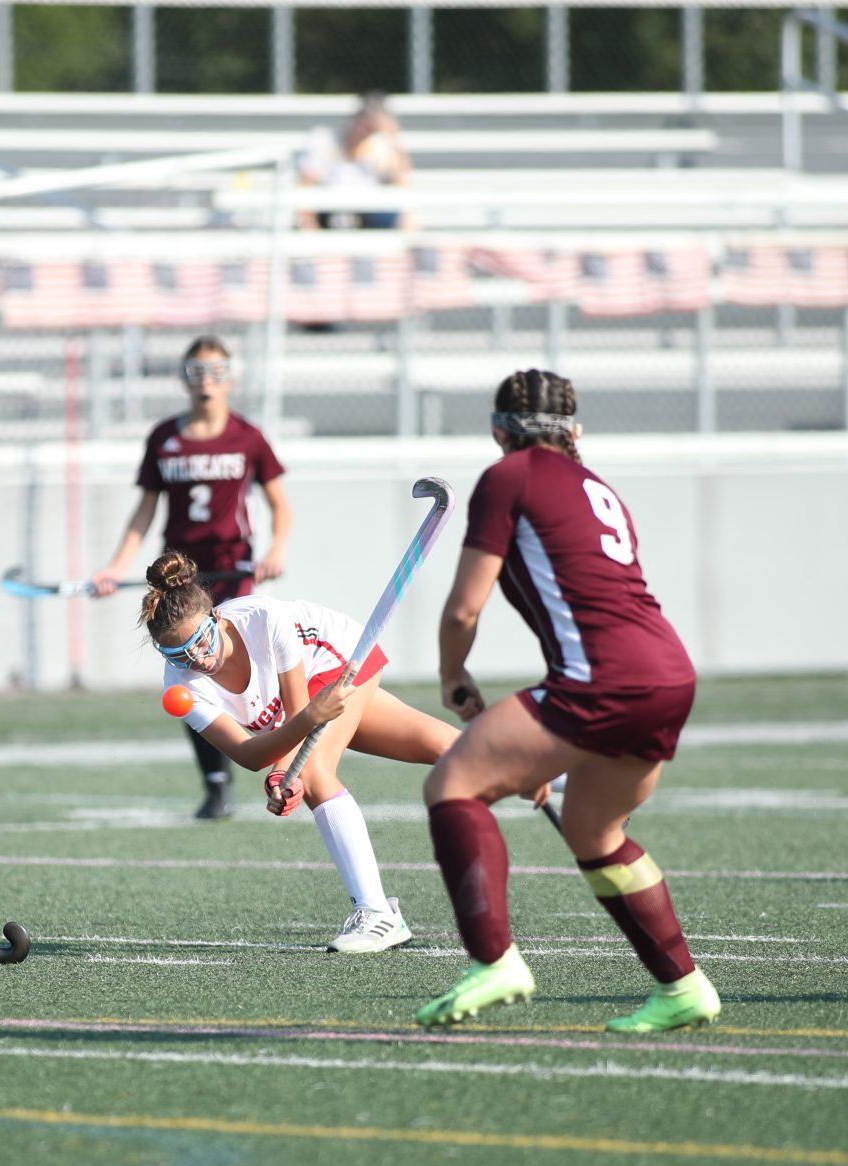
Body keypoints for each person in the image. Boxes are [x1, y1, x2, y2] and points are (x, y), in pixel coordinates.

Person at [417, 369, 719, 1033]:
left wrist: (452, 673)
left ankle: (493, 959)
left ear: (500, 429)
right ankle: (683, 986)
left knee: (454, 783)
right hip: (669, 673)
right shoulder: (596, 487)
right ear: (575, 430)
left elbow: (466, 605)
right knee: (594, 831)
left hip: (607, 675)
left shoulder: (508, 476)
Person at [142, 550, 543, 952]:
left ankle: (378, 913)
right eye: (179, 654)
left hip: (341, 659)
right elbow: (248, 755)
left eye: (202, 641)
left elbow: (300, 713)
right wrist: (281, 773)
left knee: (315, 775)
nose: (199, 659)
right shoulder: (181, 688)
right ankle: (549, 771)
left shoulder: (264, 617)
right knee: (437, 746)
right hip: (304, 709)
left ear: (216, 618)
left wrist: (288, 773)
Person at [93, 338, 292, 821]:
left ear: (230, 376)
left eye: (216, 368)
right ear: (184, 376)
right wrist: (118, 566)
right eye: (196, 369)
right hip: (181, 578)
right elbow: (145, 510)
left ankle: (279, 762)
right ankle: (217, 780)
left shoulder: (249, 436)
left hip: (232, 572)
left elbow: (279, 504)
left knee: (232, 669)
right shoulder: (163, 437)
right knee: (190, 676)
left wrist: (275, 550)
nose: (206, 377)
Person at [298, 91, 413, 231]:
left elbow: (403, 185)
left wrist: (393, 140)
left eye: (372, 128)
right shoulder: (324, 141)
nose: (365, 131)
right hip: (329, 214)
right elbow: (306, 186)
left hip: (368, 216)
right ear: (354, 119)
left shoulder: (380, 146)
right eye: (364, 123)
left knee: (395, 211)